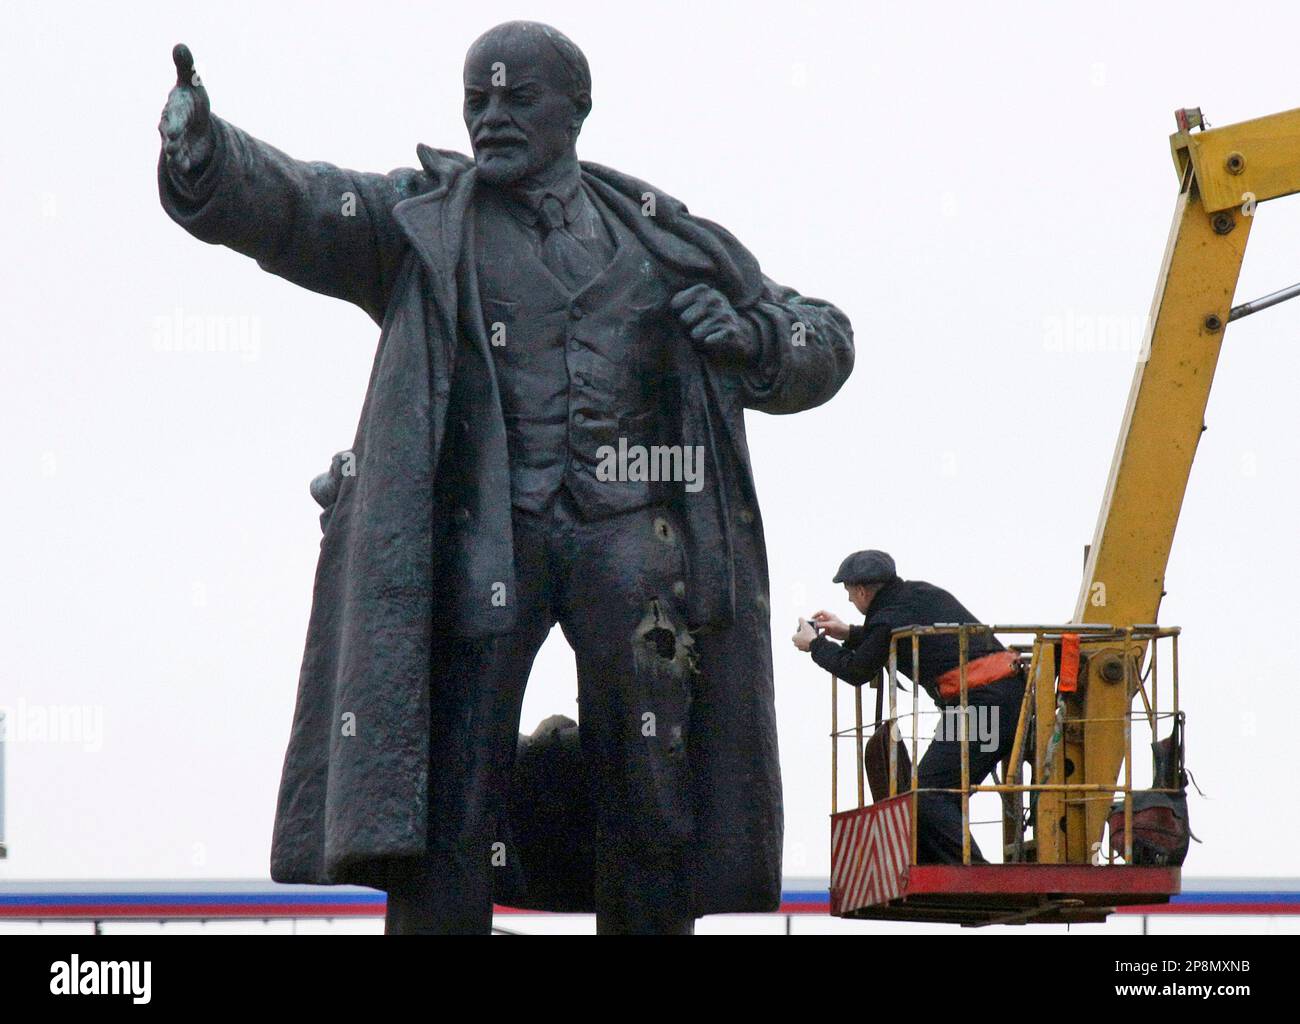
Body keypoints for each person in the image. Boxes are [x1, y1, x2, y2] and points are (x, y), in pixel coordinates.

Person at [157, 22, 854, 933]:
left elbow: (825, 333)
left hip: (635, 542)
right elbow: (301, 205)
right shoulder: (423, 224)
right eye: (476, 100)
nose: (491, 118)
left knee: (655, 790)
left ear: (577, 109)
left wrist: (756, 337)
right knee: (450, 786)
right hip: (488, 532)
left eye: (516, 99)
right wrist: (208, 155)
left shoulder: (661, 241)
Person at [792, 550, 1024, 864]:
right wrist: (848, 633)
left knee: (927, 794)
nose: (849, 601)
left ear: (861, 590)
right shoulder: (916, 594)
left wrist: (816, 646)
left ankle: (971, 871)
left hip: (983, 707)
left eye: (849, 593)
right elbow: (888, 636)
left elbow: (857, 670)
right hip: (991, 700)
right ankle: (958, 865)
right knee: (939, 792)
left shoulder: (887, 616)